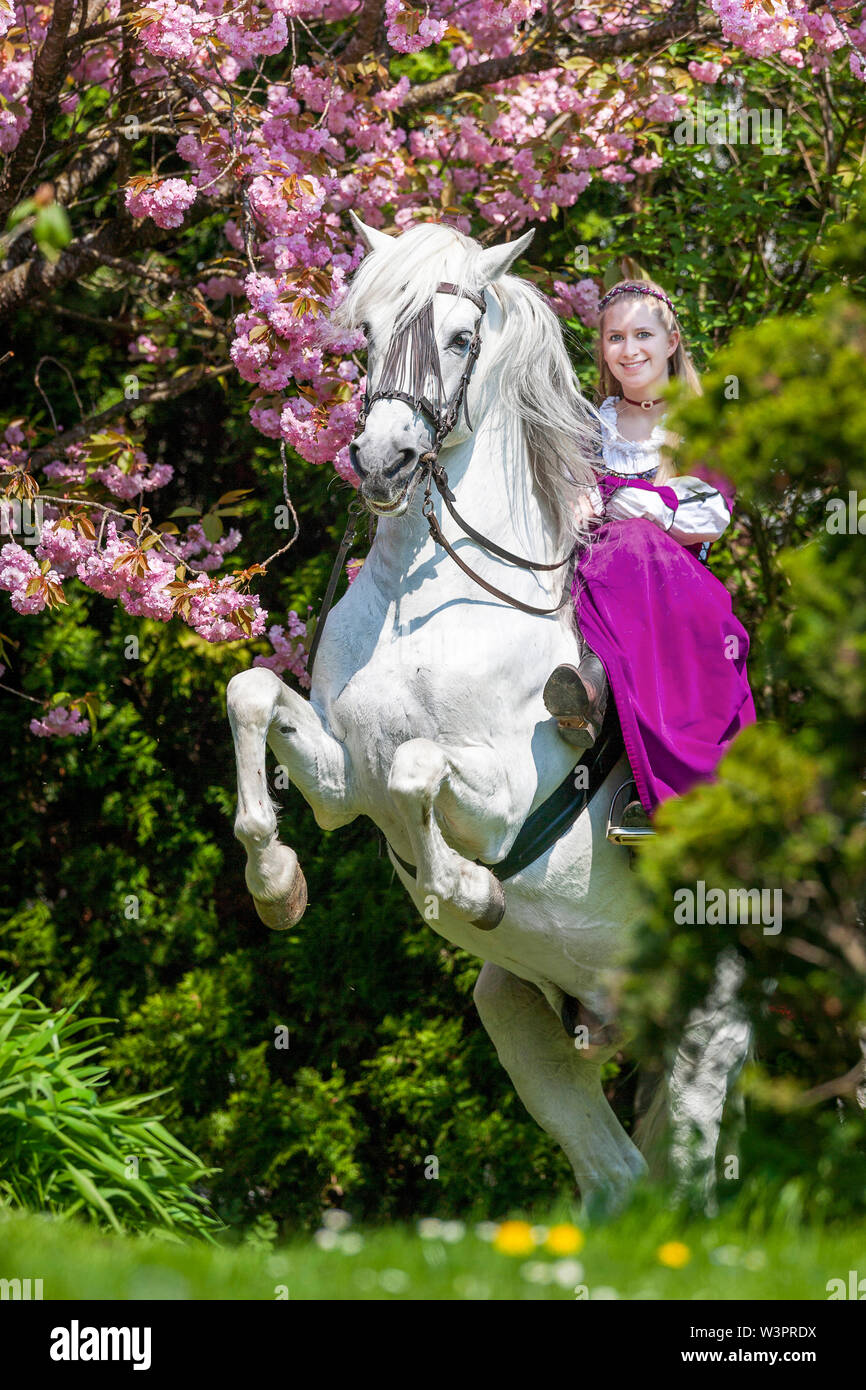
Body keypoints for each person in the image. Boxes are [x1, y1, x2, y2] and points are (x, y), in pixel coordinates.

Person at [542, 279, 756, 829]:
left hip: (675, 588)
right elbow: (563, 504)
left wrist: (636, 504)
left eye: (643, 334)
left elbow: (712, 514)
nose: (629, 349)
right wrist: (574, 501)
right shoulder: (588, 428)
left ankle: (609, 708)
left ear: (671, 342)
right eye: (615, 337)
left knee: (634, 540)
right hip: (591, 577)